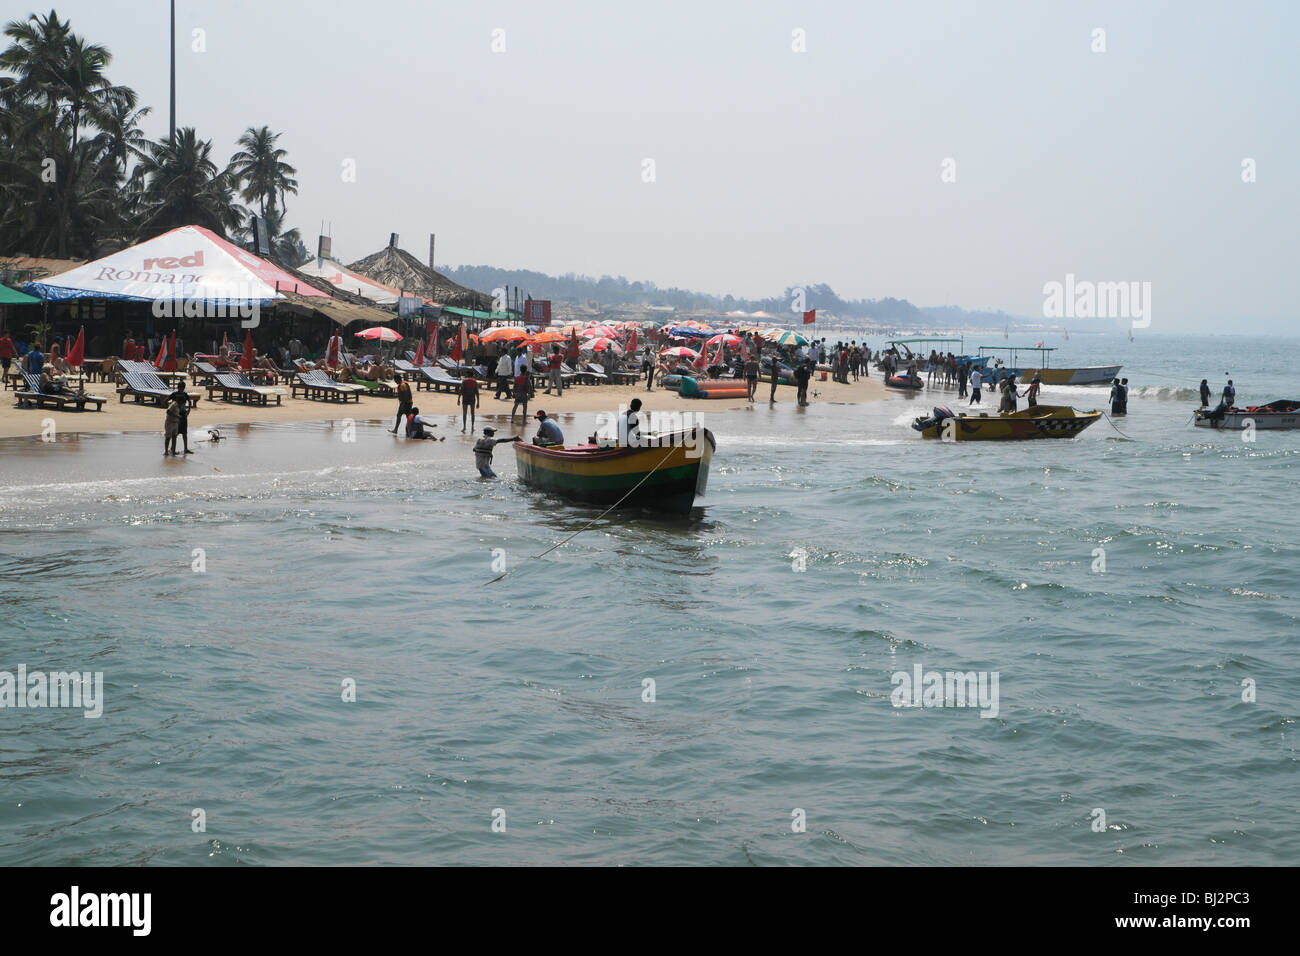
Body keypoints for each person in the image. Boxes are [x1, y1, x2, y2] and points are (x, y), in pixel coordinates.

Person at [170, 383, 193, 453]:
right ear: (178, 387)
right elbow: (166, 400)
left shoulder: (185, 394)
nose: (181, 389)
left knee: (184, 433)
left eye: (183, 388)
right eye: (180, 388)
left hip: (183, 415)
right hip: (176, 416)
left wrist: (188, 411)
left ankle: (185, 449)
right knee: (175, 433)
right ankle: (172, 448)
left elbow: (189, 402)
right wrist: (171, 410)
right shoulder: (174, 394)